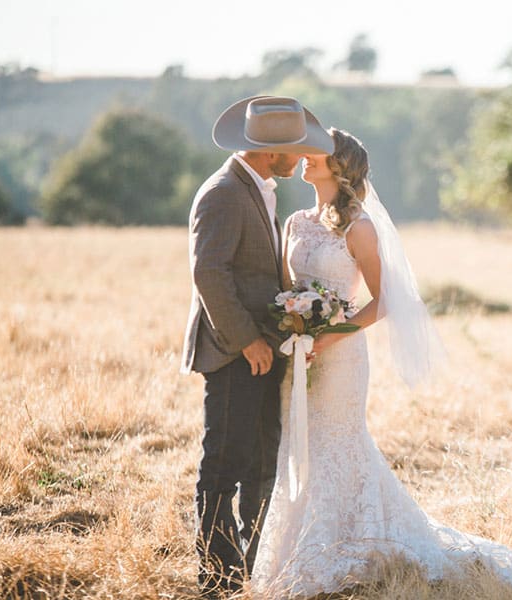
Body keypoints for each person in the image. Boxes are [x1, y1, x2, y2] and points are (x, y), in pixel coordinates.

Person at [251, 127, 512, 598]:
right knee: (299, 444)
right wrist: (293, 325)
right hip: (297, 356)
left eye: (316, 153)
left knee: (339, 444)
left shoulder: (359, 227)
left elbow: (383, 301)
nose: (304, 157)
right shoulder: (296, 222)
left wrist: (331, 335)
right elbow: (284, 287)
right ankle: (296, 549)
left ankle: (357, 545)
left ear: (339, 166)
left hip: (341, 359)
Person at [180, 95, 335, 598]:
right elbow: (209, 273)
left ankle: (251, 566)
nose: (301, 157)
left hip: (262, 350)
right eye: (296, 149)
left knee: (260, 461)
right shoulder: (224, 192)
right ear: (274, 152)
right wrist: (248, 340)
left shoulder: (257, 186)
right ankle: (217, 577)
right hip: (233, 352)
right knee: (225, 460)